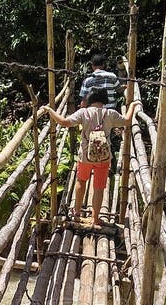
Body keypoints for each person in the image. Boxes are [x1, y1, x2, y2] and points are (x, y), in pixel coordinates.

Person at [41, 89, 141, 227]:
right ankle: (95, 218)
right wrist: (132, 106)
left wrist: (50, 110)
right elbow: (127, 121)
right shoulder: (110, 113)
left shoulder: (84, 112)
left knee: (81, 181)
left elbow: (64, 122)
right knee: (99, 187)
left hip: (85, 156)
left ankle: (76, 213)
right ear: (104, 100)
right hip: (104, 157)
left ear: (90, 100)